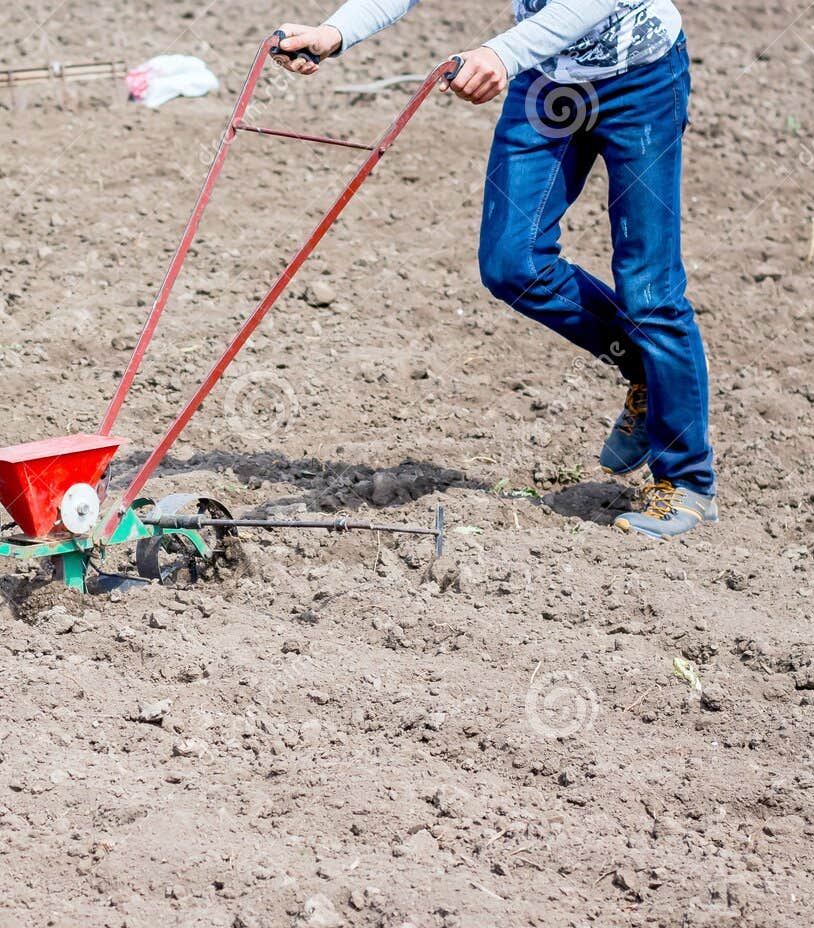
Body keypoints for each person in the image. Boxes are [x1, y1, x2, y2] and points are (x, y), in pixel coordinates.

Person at [273, 2, 716, 540]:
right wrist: (334, 32)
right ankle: (649, 371)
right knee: (513, 264)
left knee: (650, 290)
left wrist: (499, 55)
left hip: (641, 82)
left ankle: (687, 483)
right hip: (547, 81)